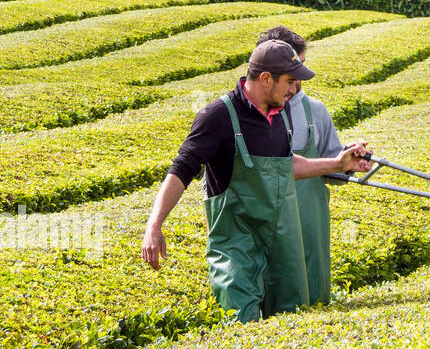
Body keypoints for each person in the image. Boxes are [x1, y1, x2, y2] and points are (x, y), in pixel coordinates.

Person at [140, 39, 370, 322]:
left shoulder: (280, 116)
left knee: (290, 326)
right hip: (239, 250)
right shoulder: (218, 116)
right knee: (242, 323)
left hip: (283, 247)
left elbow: (288, 165)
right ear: (265, 79)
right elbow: (181, 170)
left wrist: (338, 163)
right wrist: (154, 225)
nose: (294, 89)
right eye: (289, 81)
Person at [256, 25, 347, 307]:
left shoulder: (315, 111)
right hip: (264, 232)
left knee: (312, 306)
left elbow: (335, 172)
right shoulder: (243, 115)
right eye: (293, 70)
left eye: (302, 67)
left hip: (309, 236)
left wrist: (349, 162)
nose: (298, 79)